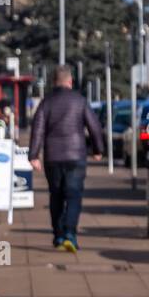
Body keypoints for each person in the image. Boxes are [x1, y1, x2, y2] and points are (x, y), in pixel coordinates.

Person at [29, 65, 105, 252]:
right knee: (73, 196)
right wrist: (98, 149)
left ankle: (58, 235)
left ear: (54, 82)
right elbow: (94, 127)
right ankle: (70, 233)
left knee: (56, 196)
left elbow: (38, 129)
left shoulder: (46, 102)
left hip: (52, 157)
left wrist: (34, 155)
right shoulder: (80, 101)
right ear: (70, 81)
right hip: (76, 156)